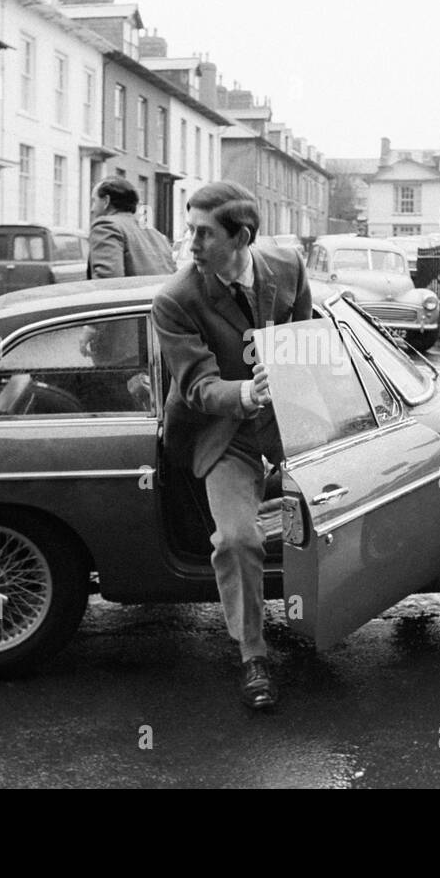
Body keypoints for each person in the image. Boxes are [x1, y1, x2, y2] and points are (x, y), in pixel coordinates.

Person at [151, 181, 311, 710]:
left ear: (241, 236)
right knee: (239, 540)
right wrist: (247, 391)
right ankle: (253, 655)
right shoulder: (176, 299)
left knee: (349, 506)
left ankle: (332, 613)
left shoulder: (287, 266)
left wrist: (294, 372)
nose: (190, 244)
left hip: (290, 424)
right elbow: (196, 387)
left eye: (202, 233)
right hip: (222, 432)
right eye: (188, 230)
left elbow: (304, 336)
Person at [86, 176, 175, 279]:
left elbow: (107, 283)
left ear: (106, 201)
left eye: (94, 201)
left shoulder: (106, 226)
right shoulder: (156, 234)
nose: (92, 209)